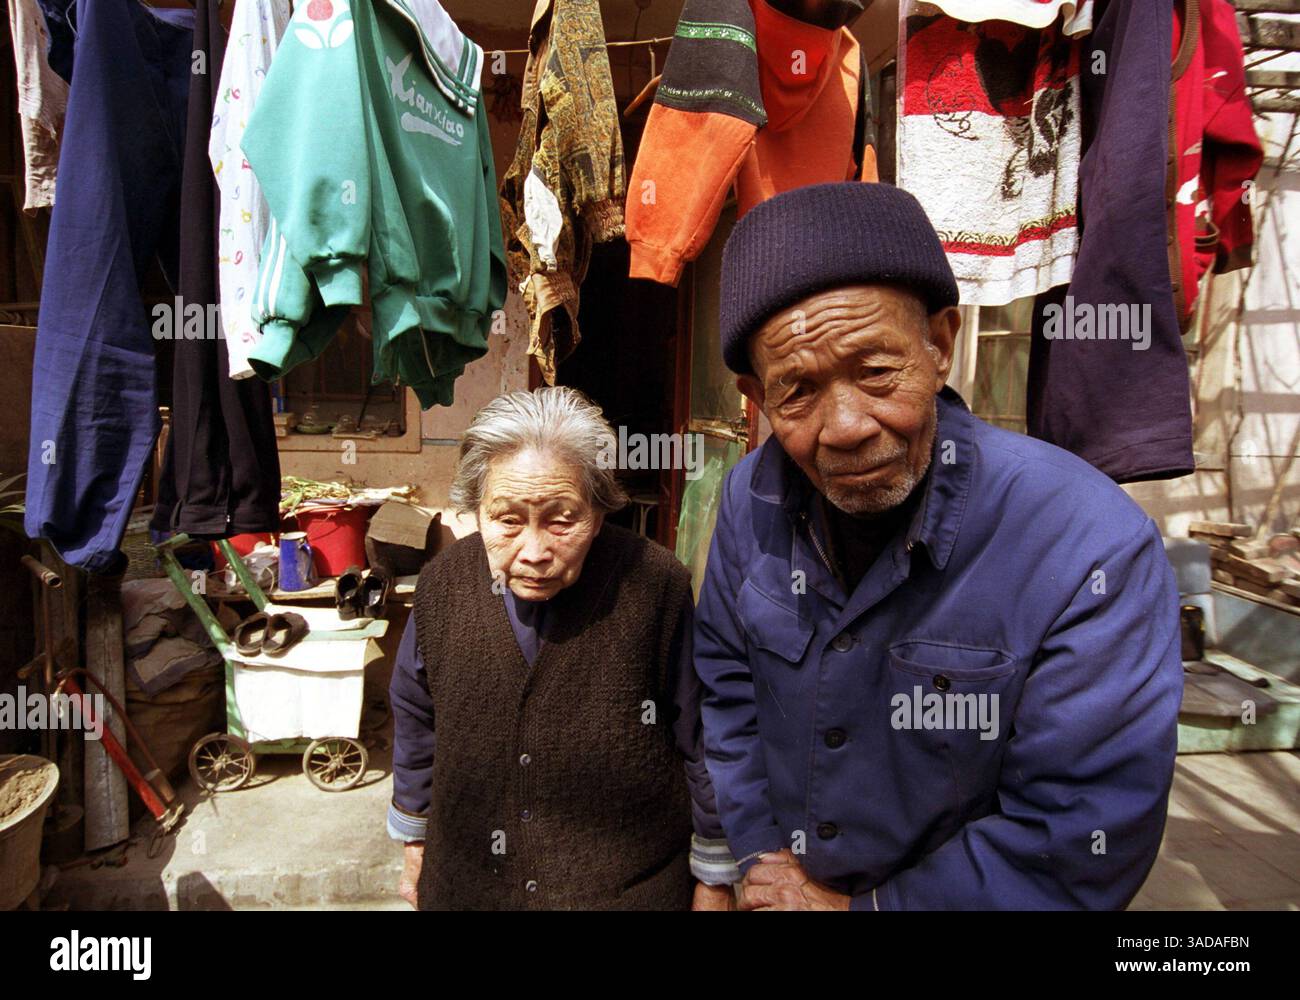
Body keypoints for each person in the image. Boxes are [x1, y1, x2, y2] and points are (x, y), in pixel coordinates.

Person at [694, 181, 1183, 910]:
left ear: (941, 345)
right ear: (757, 398)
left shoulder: (1088, 550)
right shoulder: (750, 498)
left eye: (876, 372)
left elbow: (1081, 833)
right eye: (797, 390)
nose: (847, 425)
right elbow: (728, 691)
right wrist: (755, 861)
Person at [387, 387, 738, 910]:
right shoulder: (443, 586)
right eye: (507, 519)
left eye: (561, 519)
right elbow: (416, 711)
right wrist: (415, 838)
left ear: (598, 514)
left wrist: (713, 876)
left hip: (625, 894)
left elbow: (703, 735)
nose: (534, 552)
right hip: (468, 887)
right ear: (475, 513)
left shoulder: (655, 585)